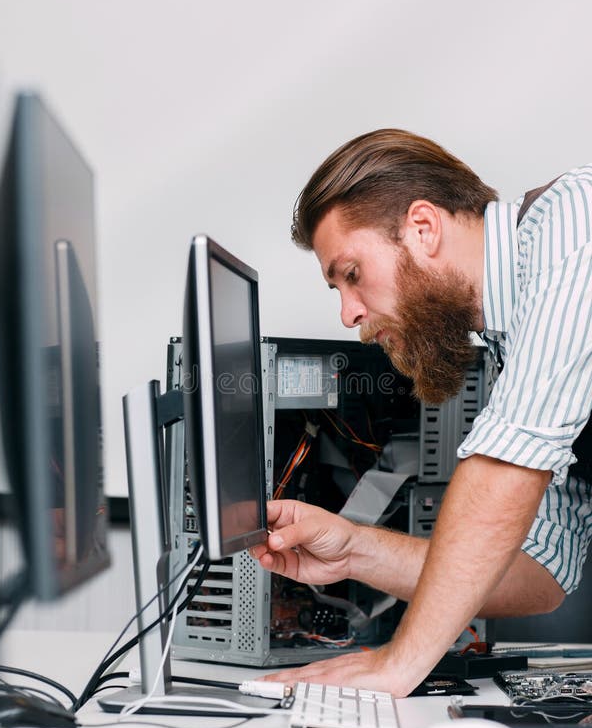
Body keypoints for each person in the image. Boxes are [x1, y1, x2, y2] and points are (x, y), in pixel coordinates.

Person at [250, 129, 592, 697]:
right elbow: (539, 572)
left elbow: (509, 463)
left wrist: (398, 663)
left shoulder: (574, 226)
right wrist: (353, 549)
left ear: (423, 228)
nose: (348, 312)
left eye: (352, 274)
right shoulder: (519, 345)